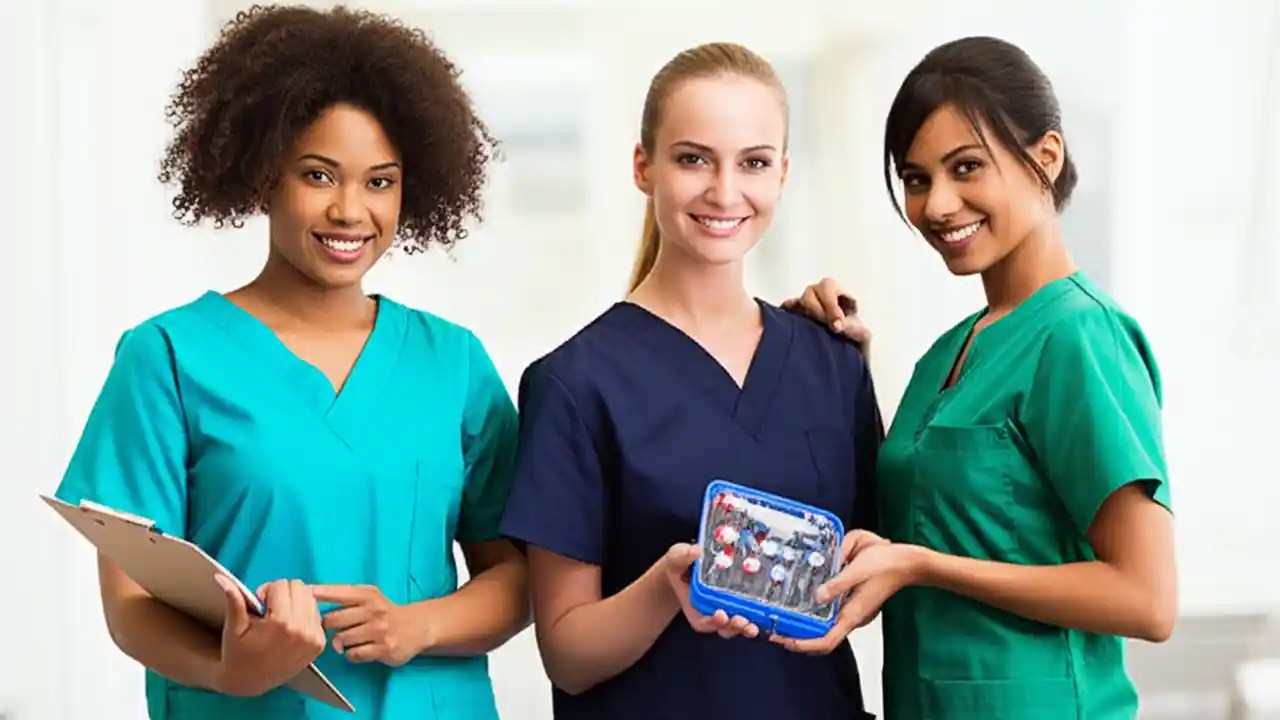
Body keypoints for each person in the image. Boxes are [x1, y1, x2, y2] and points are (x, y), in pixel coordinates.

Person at [52, 6, 526, 719]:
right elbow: (131, 602)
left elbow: (519, 575)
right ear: (264, 173)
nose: (349, 211)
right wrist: (230, 670)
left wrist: (419, 624)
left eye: (379, 181)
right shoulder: (169, 359)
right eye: (318, 174)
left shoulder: (452, 362)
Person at [780, 36, 1177, 719]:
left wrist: (924, 566)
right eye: (916, 178)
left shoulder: (1079, 336)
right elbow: (924, 515)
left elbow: (1146, 599)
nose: (937, 205)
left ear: (1044, 158)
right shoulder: (948, 353)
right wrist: (841, 362)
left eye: (966, 167)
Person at [498, 42, 881, 720]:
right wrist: (668, 586)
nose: (724, 192)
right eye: (693, 158)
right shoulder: (574, 384)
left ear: (783, 173)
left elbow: (874, 574)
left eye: (754, 163)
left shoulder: (833, 362)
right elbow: (567, 655)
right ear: (643, 166)